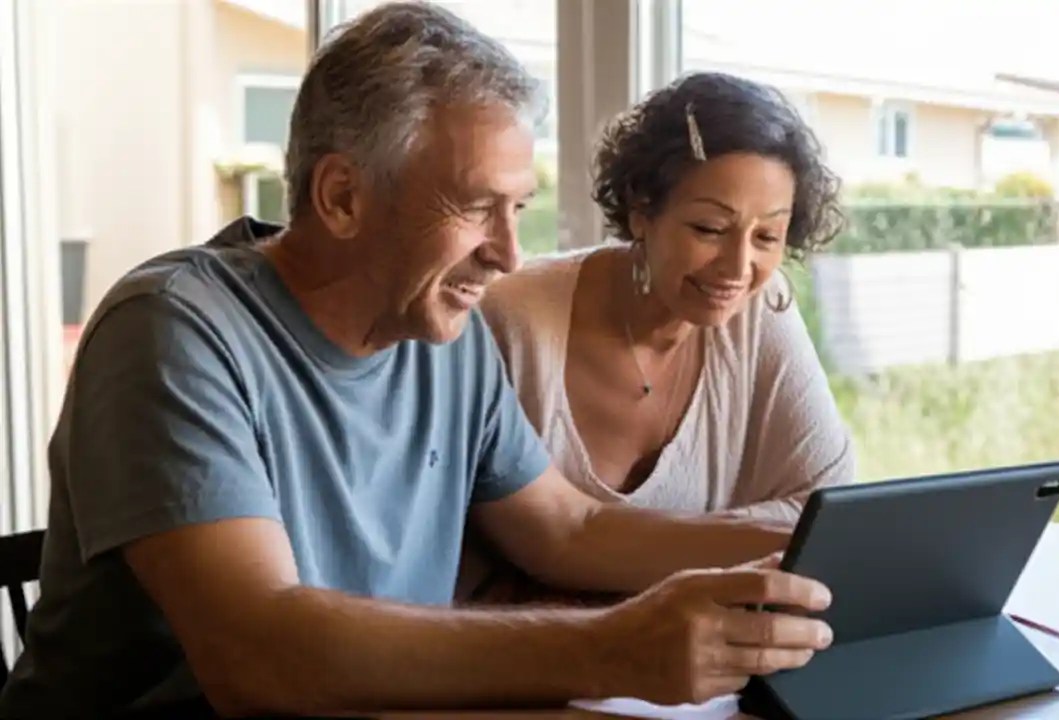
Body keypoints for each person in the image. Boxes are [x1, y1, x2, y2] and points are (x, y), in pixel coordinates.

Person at [0, 4, 835, 718]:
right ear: (341, 197)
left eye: (517, 210)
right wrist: (617, 648)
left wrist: (797, 547)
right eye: (477, 208)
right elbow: (257, 653)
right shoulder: (174, 331)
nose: (509, 255)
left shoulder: (445, 334)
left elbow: (568, 528)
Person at [462, 72, 856, 603]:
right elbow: (519, 544)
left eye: (767, 237)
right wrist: (729, 545)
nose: (738, 268)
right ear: (641, 210)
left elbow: (831, 512)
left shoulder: (762, 310)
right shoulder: (507, 319)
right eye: (709, 230)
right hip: (527, 658)